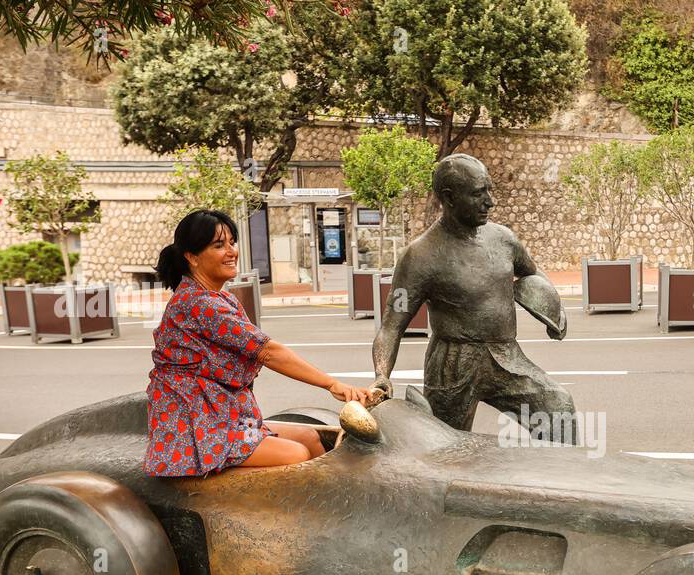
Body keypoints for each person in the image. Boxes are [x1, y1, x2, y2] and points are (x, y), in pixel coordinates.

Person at [145, 209, 373, 477]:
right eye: (219, 245)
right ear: (192, 257)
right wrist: (332, 384)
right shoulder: (199, 303)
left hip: (228, 418)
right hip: (197, 427)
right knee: (295, 455)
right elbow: (267, 351)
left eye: (232, 242)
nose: (231, 251)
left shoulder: (221, 298)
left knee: (310, 437)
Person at [370, 153, 578, 443]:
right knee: (445, 446)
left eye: (490, 190)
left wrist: (552, 308)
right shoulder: (419, 256)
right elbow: (392, 325)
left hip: (506, 357)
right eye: (479, 193)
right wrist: (382, 374)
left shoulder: (504, 239)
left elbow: (532, 273)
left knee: (558, 406)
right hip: (453, 364)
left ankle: (564, 483)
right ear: (449, 197)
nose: (490, 201)